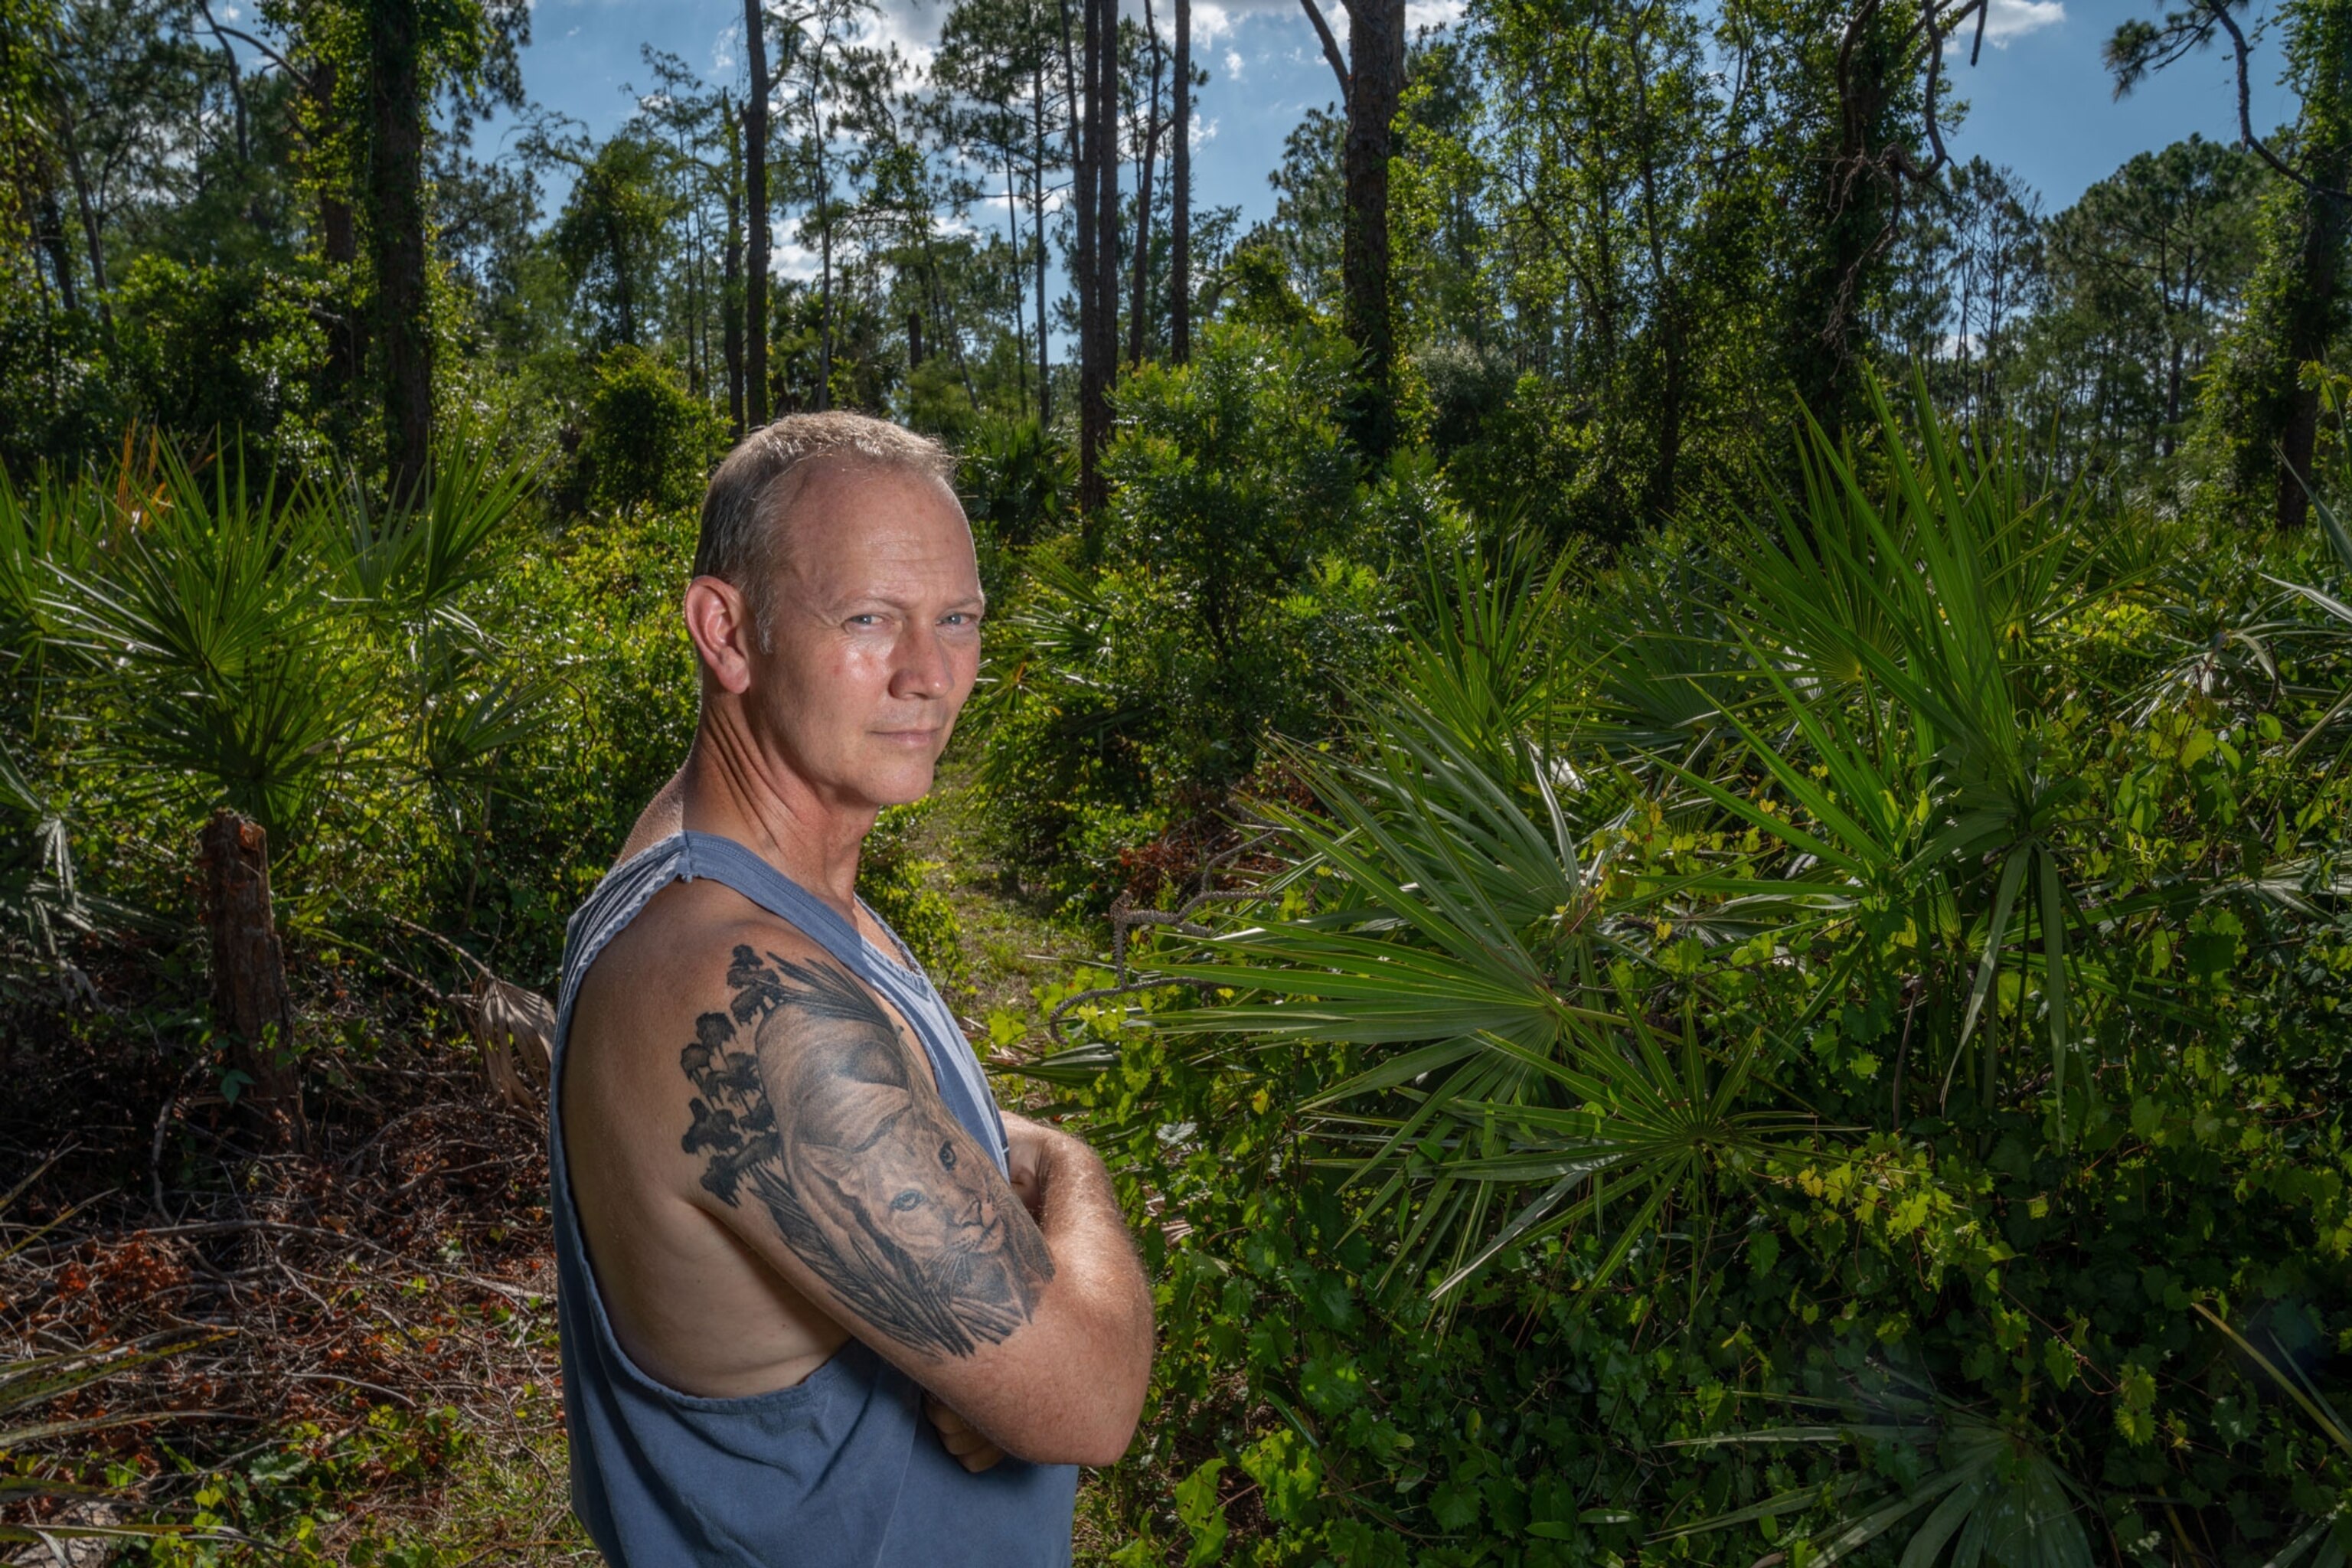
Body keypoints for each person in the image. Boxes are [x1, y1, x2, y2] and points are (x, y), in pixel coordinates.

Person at [550, 413, 1155, 1566]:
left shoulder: (731, 869)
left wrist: (974, 1313)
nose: (928, 676)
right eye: (869, 619)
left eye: (958, 619)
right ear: (727, 631)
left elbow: (863, 1117)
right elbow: (1089, 1401)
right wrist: (1073, 1166)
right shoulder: (730, 980)